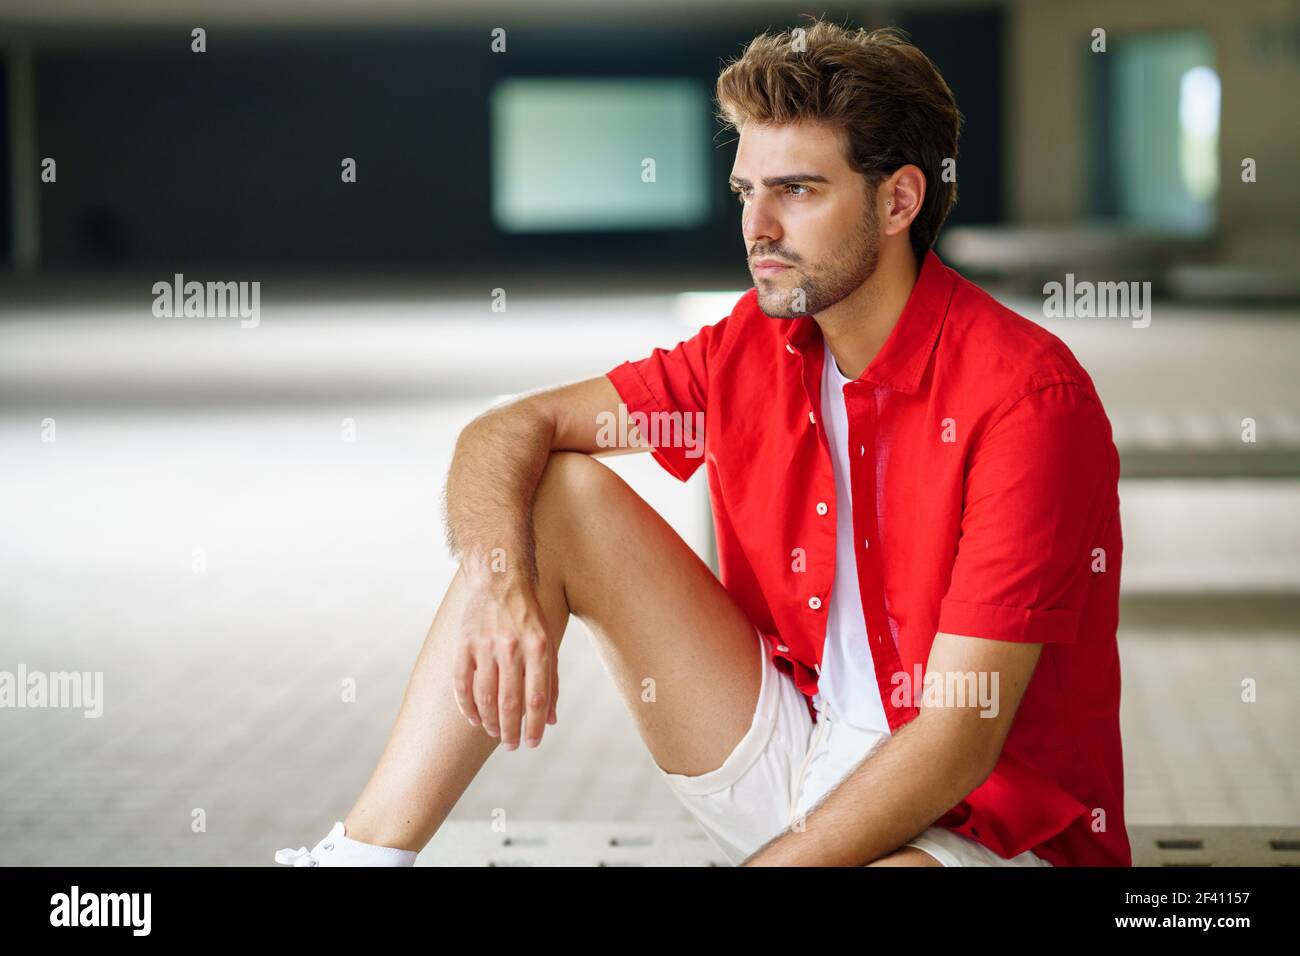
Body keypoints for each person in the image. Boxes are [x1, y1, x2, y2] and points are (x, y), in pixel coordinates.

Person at [275, 17, 1130, 868]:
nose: (757, 226)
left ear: (898, 199)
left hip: (972, 823)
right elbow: (506, 429)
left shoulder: (1025, 398)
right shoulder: (746, 349)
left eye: (796, 190)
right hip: (801, 753)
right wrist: (501, 586)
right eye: (745, 192)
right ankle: (360, 858)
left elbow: (956, 743)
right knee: (555, 494)